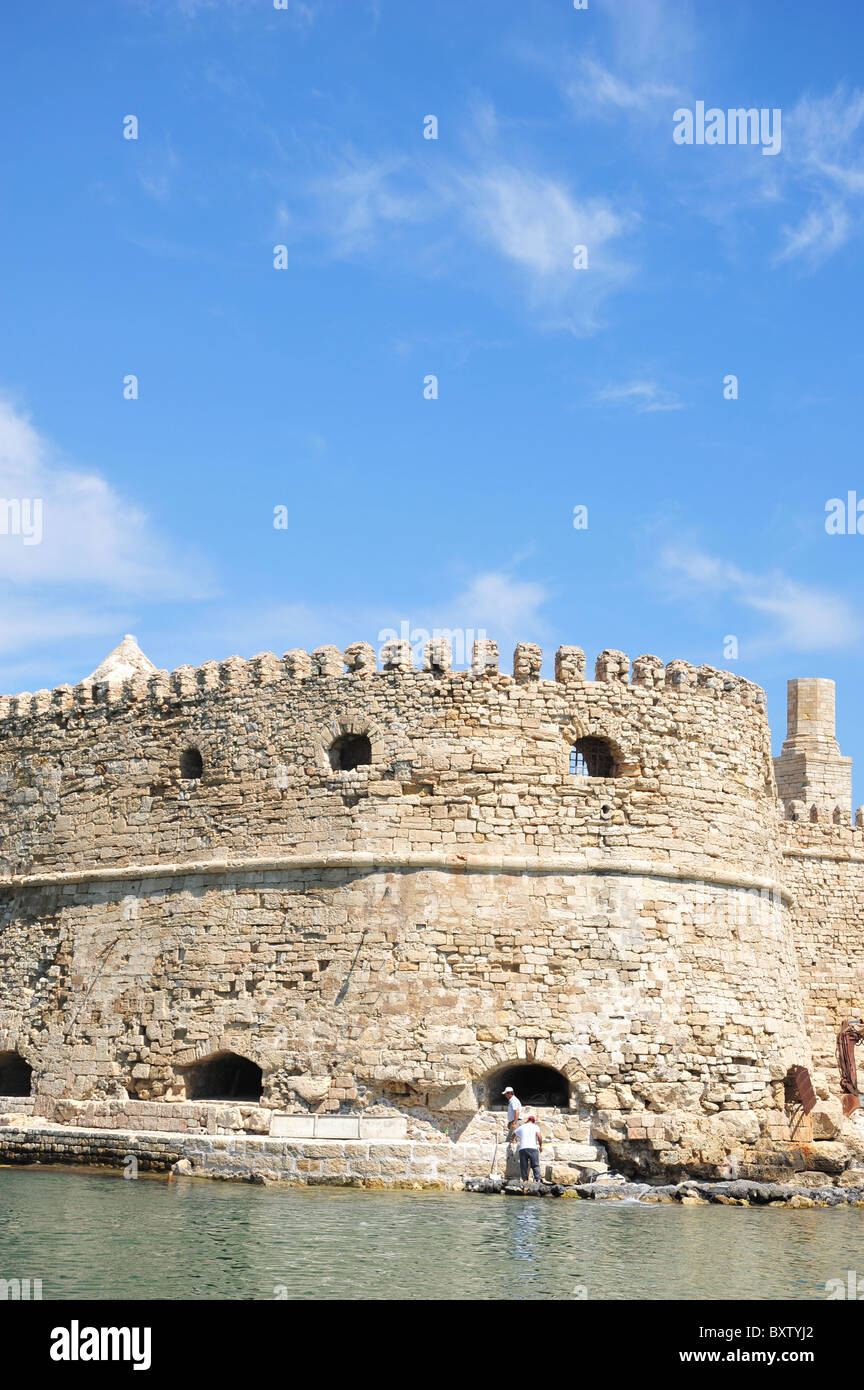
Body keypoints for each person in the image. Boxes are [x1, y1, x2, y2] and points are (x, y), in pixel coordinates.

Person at [514, 1113, 543, 1182]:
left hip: (523, 1148)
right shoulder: (536, 1127)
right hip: (533, 1148)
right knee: (535, 1165)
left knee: (524, 1166)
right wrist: (541, 1146)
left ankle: (525, 1180)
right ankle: (538, 1179)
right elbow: (539, 1136)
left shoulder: (522, 1127)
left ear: (527, 1120)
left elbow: (514, 1134)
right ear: (534, 1121)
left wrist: (512, 1140)